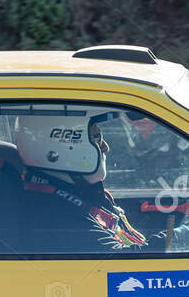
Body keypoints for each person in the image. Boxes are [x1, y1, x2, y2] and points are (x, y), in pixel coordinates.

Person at [8, 108, 148, 252]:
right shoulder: (54, 216)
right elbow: (119, 261)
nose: (106, 147)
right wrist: (171, 237)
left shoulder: (74, 194)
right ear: (61, 145)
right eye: (96, 138)